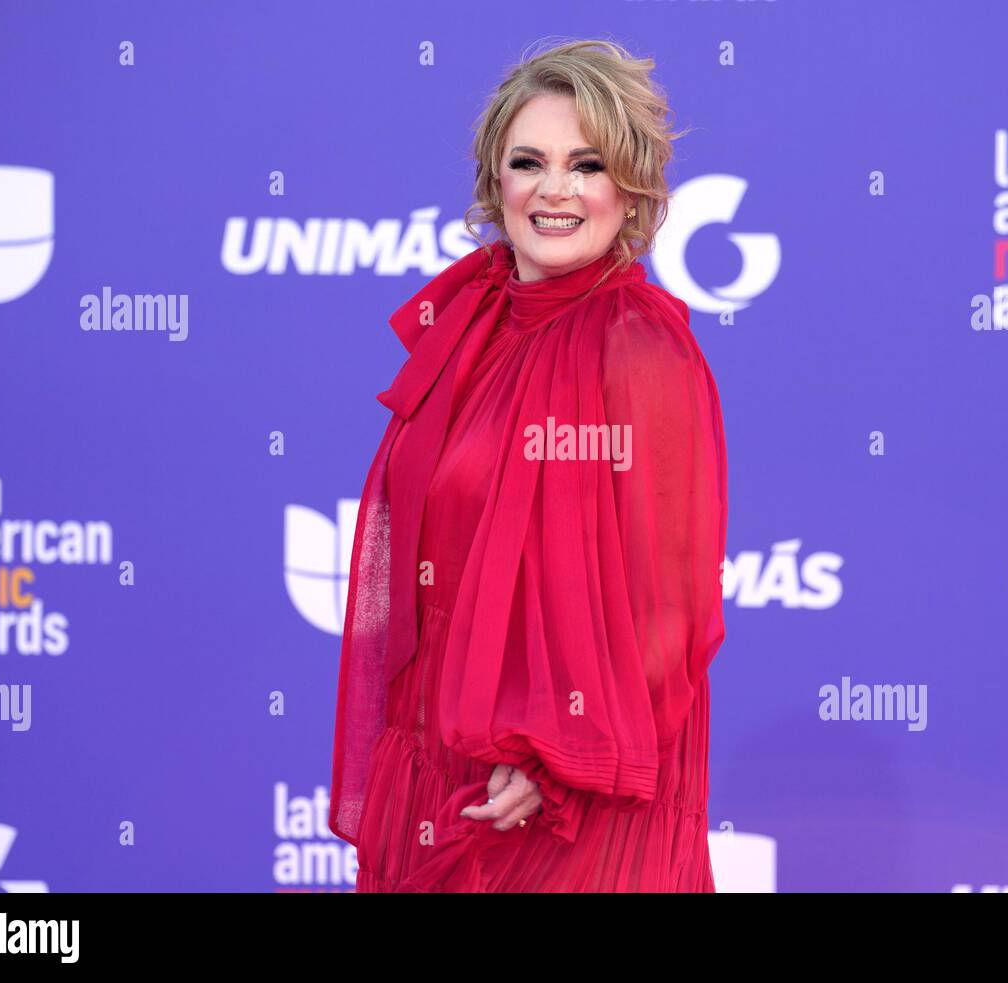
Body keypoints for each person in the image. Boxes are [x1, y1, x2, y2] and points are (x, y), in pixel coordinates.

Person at [328, 38, 727, 892]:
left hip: (570, 799)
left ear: (632, 189)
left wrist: (555, 760)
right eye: (528, 162)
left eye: (587, 164)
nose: (554, 190)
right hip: (443, 760)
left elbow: (670, 602)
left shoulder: (638, 345)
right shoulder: (468, 323)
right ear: (493, 180)